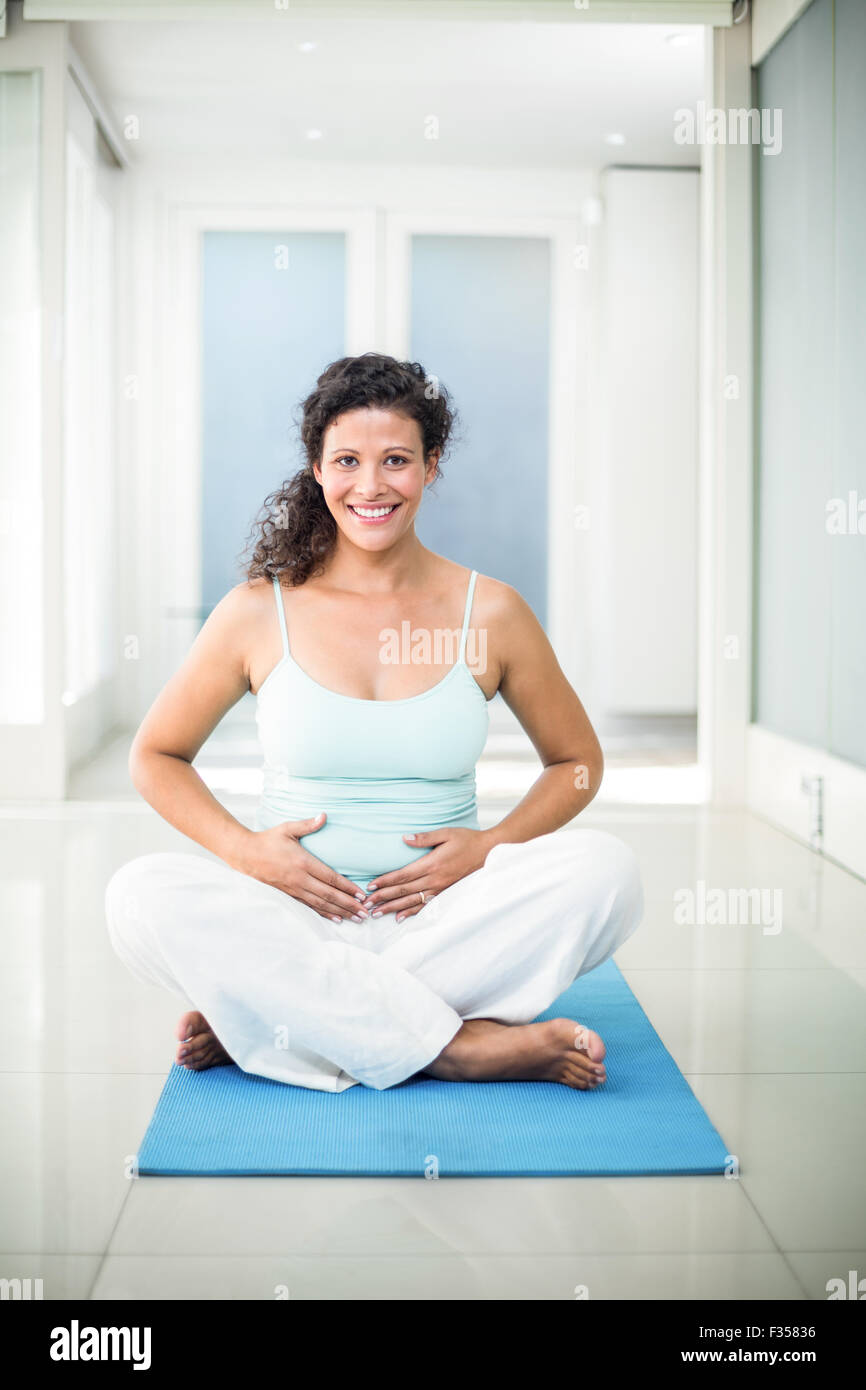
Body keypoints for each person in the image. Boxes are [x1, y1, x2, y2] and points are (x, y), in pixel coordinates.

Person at [105, 353, 643, 1093]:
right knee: (138, 894)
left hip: (447, 922)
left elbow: (576, 762)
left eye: (396, 460)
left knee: (608, 873)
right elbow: (156, 755)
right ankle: (457, 1049)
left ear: (431, 465)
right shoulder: (259, 611)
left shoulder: (491, 611)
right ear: (318, 469)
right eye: (348, 461)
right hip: (288, 917)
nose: (371, 486)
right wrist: (245, 852)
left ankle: (283, 1017)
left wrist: (488, 849)